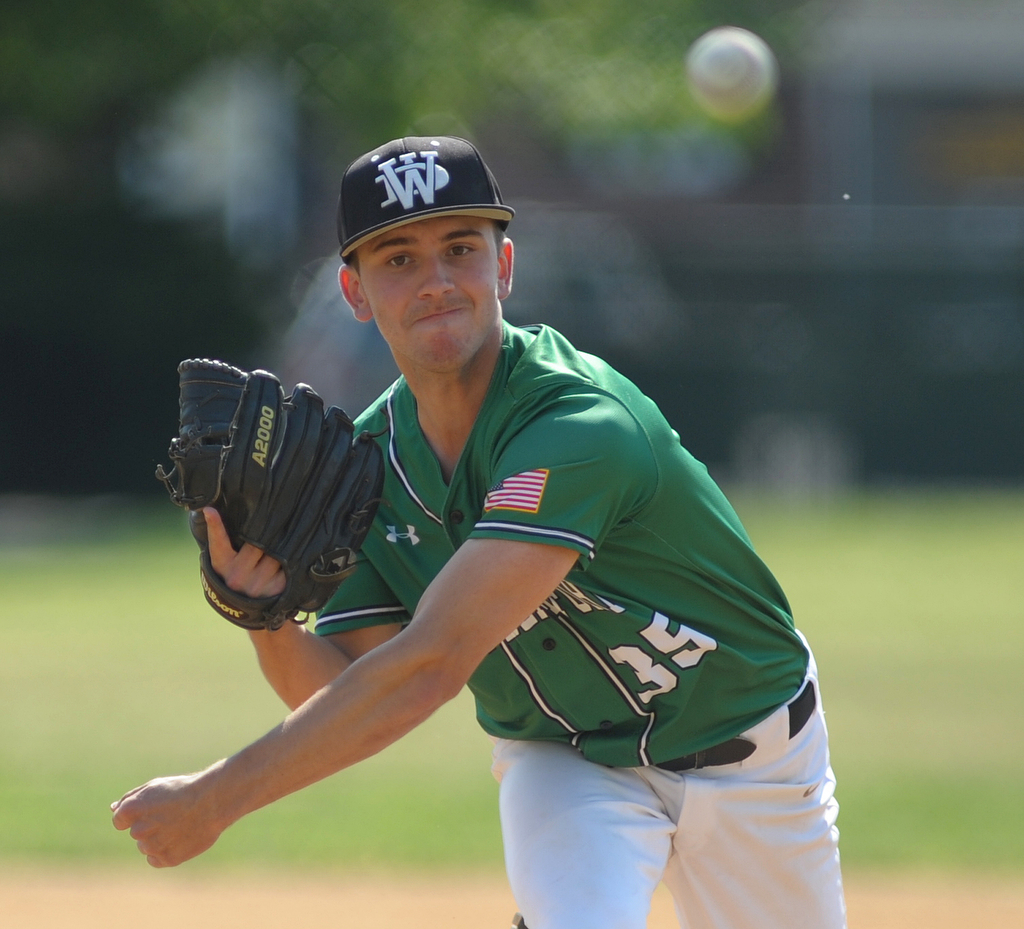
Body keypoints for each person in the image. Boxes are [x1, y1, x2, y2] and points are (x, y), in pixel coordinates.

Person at [112, 136, 846, 929]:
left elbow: (425, 671)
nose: (434, 282)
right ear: (355, 292)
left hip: (753, 756)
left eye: (459, 249)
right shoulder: (364, 471)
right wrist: (267, 618)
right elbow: (346, 691)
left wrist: (216, 797)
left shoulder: (579, 424)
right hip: (565, 759)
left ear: (503, 266)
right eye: (398, 259)